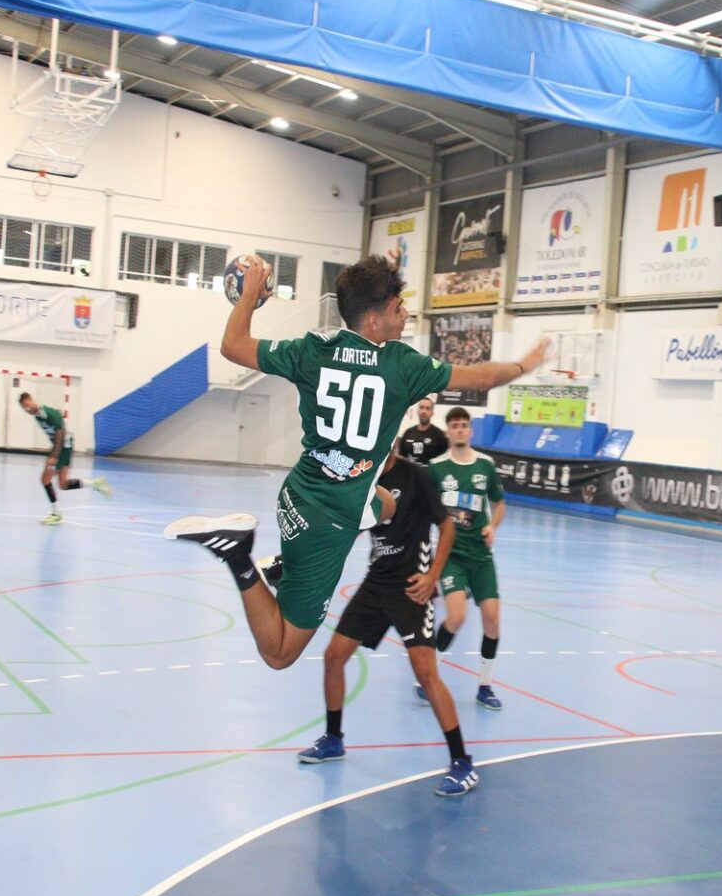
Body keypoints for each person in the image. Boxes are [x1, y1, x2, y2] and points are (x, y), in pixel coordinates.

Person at [165, 254, 548, 672]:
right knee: (279, 652)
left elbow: (233, 346)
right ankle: (237, 555)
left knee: (387, 504)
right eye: (397, 308)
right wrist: (526, 363)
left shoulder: (314, 349)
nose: (405, 315)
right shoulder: (404, 366)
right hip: (328, 522)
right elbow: (485, 377)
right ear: (373, 320)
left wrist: (249, 298)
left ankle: (281, 564)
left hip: (301, 489)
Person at [297, 439, 477, 796]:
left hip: (411, 588)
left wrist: (432, 576)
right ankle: (334, 738)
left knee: (426, 673)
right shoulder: (361, 478)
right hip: (375, 584)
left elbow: (448, 526)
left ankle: (462, 762)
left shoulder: (417, 476)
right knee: (333, 657)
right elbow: (346, 530)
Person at [428, 406, 509, 710]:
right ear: (448, 432)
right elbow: (421, 505)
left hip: (480, 556)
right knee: (457, 617)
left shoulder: (486, 466)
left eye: (464, 425)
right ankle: (429, 674)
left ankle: (485, 686)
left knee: (492, 620)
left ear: (471, 431)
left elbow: (499, 503)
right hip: (451, 555)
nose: (460, 430)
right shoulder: (435, 468)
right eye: (455, 426)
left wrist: (492, 525)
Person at [18, 392, 110, 524]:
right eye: (24, 408)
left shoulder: (47, 413)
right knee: (63, 484)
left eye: (26, 405)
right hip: (65, 447)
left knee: (45, 479)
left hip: (63, 448)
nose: (26, 409)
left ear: (31, 399)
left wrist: (54, 456)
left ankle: (56, 514)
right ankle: (94, 484)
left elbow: (61, 433)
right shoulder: (37, 415)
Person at [397, 395, 448, 464]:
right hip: (411, 474)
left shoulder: (439, 434)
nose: (424, 411)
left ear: (432, 413)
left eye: (427, 408)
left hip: (430, 474)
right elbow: (401, 457)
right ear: (418, 411)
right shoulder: (408, 433)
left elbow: (444, 460)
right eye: (421, 408)